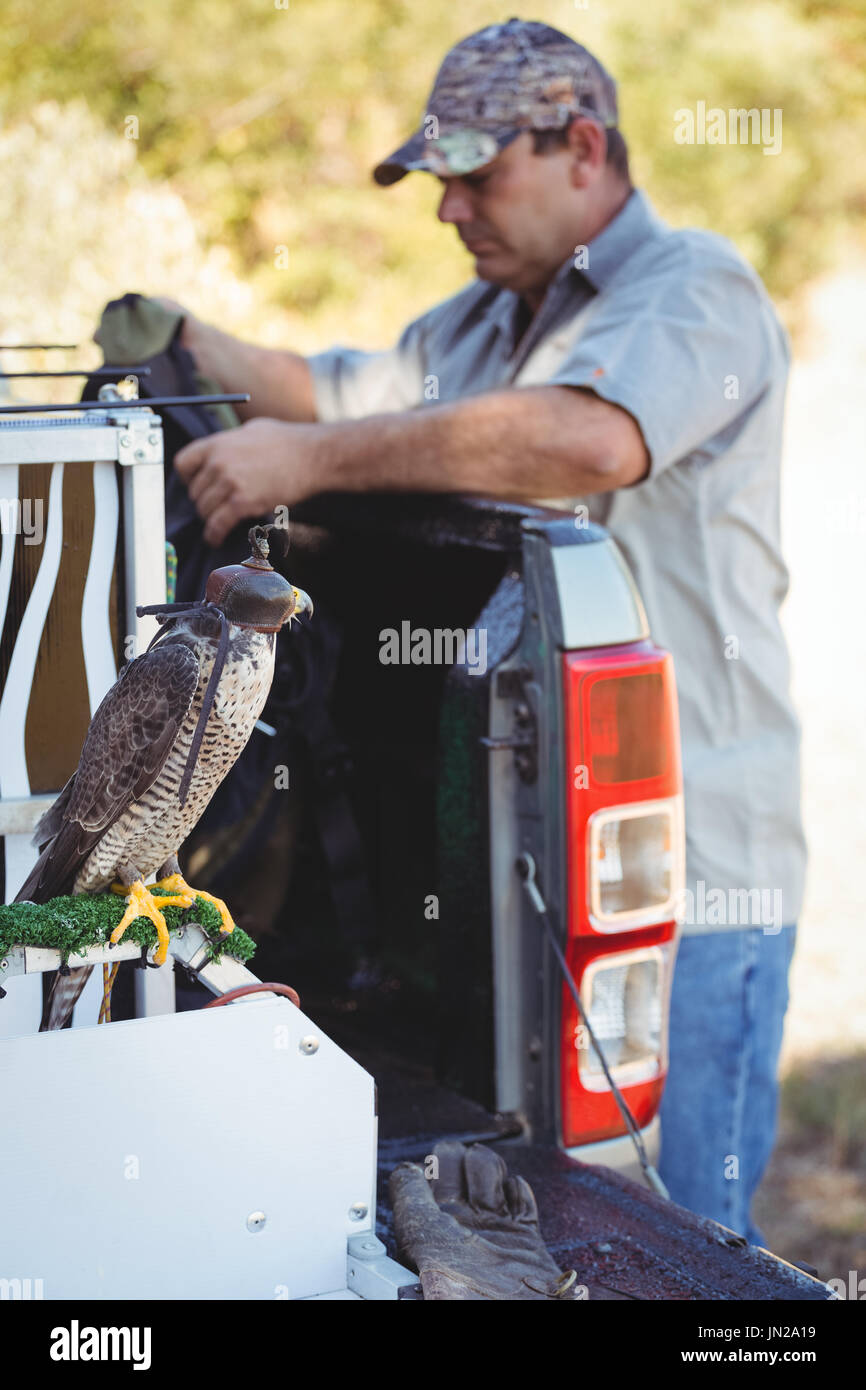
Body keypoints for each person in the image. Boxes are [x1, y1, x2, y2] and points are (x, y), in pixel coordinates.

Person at [165, 19, 806, 1244]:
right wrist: (187, 342)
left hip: (687, 884)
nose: (448, 207)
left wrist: (303, 458)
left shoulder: (694, 292)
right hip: (515, 867)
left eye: (474, 173)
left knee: (667, 1242)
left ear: (581, 147)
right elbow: (337, 387)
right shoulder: (474, 327)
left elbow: (585, 438)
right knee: (527, 1228)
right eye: (434, 180)